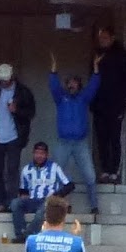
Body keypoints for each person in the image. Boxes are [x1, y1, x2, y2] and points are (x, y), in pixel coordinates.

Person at [48, 54, 100, 215]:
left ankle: (94, 206)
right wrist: (53, 70)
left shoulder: (83, 98)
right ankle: (61, 206)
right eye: (69, 83)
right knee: (58, 176)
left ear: (79, 85)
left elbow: (93, 86)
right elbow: (54, 86)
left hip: (80, 143)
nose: (71, 85)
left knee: (90, 176)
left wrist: (96, 69)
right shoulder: (61, 98)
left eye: (74, 82)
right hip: (63, 142)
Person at [0, 63, 35, 211]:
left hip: (14, 136)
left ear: (12, 77)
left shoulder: (23, 92)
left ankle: (11, 202)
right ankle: (1, 202)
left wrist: (16, 111)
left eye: (6, 79)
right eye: (1, 80)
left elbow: (30, 113)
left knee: (12, 171)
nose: (3, 82)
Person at [90, 26, 126, 185]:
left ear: (112, 37)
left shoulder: (122, 55)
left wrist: (119, 94)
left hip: (115, 105)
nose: (102, 41)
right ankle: (104, 170)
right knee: (102, 139)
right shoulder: (96, 55)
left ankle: (114, 171)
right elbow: (92, 79)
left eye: (105, 38)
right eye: (100, 38)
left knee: (115, 139)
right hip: (99, 106)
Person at [9, 142, 72, 244]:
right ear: (33, 154)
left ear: (46, 155)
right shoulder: (26, 169)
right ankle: (20, 233)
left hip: (48, 201)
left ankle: (26, 236)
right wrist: (24, 198)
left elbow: (69, 185)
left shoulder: (54, 167)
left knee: (40, 213)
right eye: (37, 153)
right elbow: (23, 190)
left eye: (42, 153)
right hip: (32, 200)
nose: (39, 156)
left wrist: (55, 196)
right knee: (15, 203)